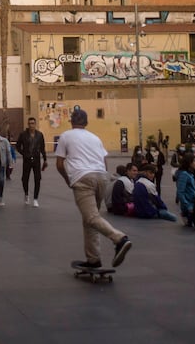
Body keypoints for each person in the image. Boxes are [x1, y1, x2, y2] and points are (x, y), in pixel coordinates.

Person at [55, 108, 132, 269]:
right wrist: (102, 176)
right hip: (101, 177)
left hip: (83, 178)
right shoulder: (95, 137)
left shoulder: (65, 136)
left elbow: (60, 164)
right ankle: (93, 259)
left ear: (71, 121)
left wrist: (68, 180)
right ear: (87, 122)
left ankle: (119, 239)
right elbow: (104, 161)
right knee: (91, 219)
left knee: (91, 218)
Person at [16, 117, 47, 206]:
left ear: (35, 124)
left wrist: (45, 159)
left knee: (37, 179)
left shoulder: (39, 135)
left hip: (36, 159)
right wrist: (24, 153)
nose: (31, 125)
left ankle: (35, 198)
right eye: (29, 123)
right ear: (28, 124)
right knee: (25, 178)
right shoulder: (23, 134)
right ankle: (26, 194)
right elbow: (18, 146)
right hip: (27, 159)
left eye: (33, 123)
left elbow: (42, 148)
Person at [174, 154, 195, 225]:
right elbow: (180, 192)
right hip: (189, 206)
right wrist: (188, 206)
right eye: (194, 161)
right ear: (189, 163)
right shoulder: (184, 174)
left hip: (192, 203)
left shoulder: (189, 174)